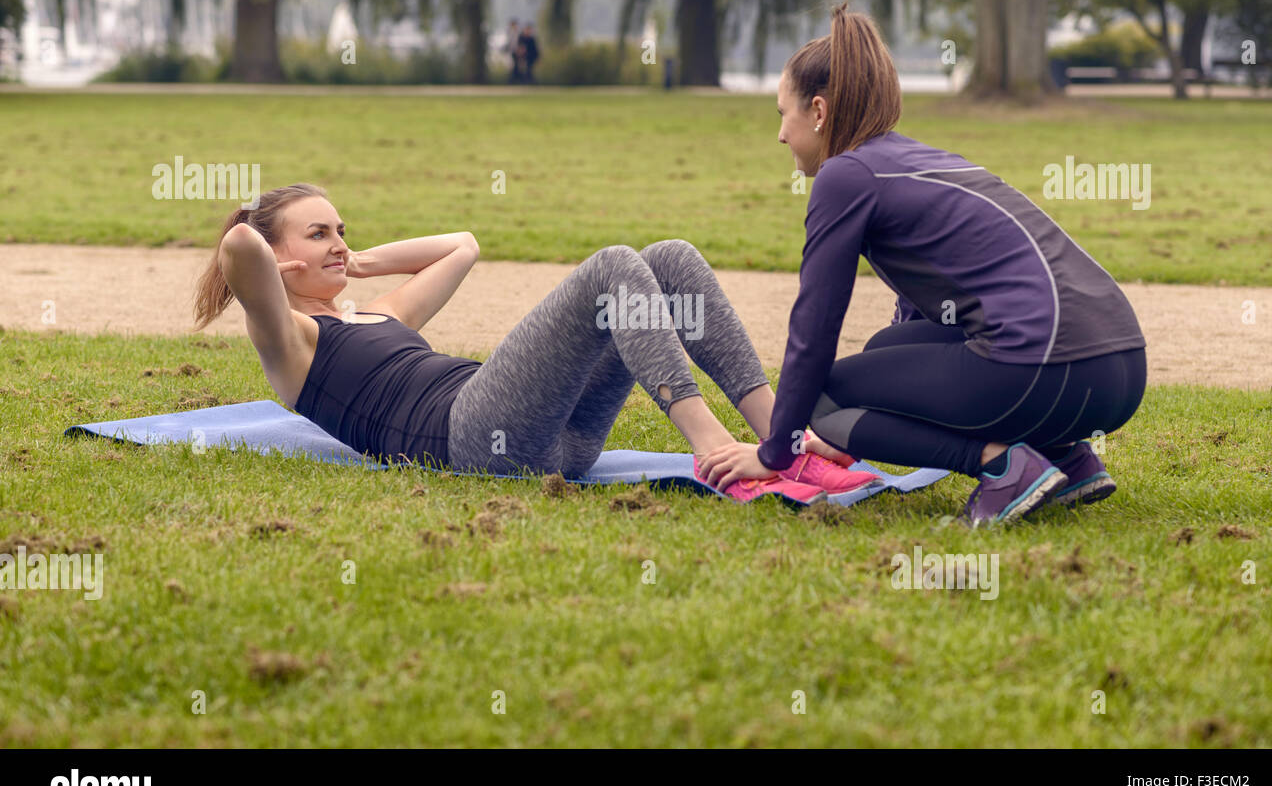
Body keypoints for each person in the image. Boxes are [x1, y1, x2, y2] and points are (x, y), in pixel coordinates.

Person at [698, 2, 1148, 527]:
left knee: (824, 397)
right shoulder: (914, 160)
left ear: (818, 112)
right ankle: (1070, 460)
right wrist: (864, 426)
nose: (779, 135)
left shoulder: (843, 176)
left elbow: (814, 329)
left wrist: (778, 448)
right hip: (1119, 372)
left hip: (1044, 371)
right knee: (887, 349)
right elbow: (928, 300)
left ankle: (1004, 468)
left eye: (783, 114)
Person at [192, 184, 879, 504]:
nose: (339, 241)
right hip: (474, 439)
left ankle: (778, 441)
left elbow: (463, 246)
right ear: (281, 261)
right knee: (613, 265)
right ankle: (713, 451)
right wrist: (266, 239)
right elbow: (239, 246)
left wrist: (357, 259)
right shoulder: (293, 343)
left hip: (557, 439)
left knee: (667, 258)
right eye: (320, 235)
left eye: (341, 228)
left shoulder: (378, 312)